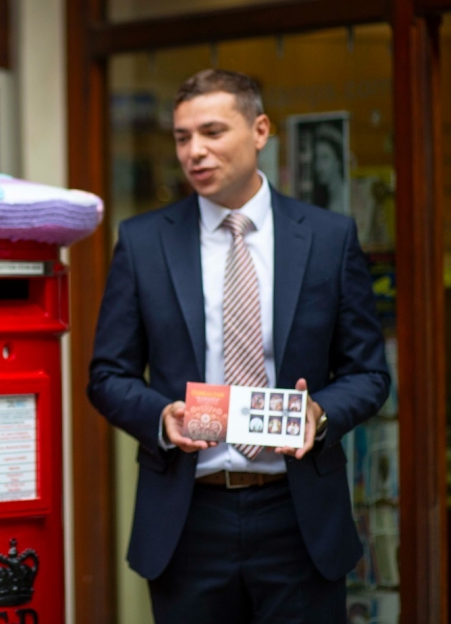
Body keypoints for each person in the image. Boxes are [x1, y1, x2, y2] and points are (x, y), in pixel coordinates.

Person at [88, 70, 389, 623]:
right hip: (189, 516)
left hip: (298, 517)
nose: (194, 152)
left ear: (260, 131)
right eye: (182, 138)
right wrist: (162, 416)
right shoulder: (143, 241)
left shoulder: (327, 238)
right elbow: (107, 375)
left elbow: (369, 373)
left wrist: (321, 416)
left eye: (212, 132)